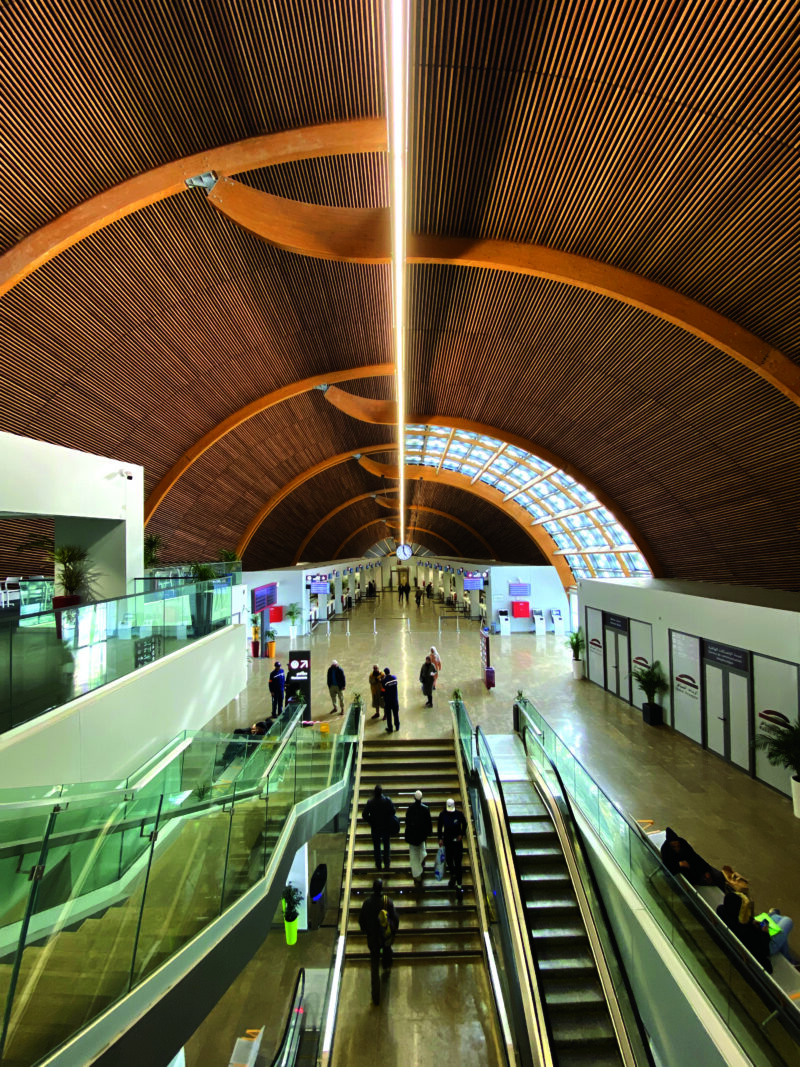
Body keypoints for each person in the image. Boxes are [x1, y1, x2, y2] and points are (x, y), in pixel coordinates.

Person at [358, 878, 399, 1005]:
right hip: (385, 936)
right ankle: (386, 966)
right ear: (381, 889)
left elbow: (361, 921)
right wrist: (392, 931)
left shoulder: (367, 903)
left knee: (374, 966)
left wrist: (366, 930)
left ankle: (376, 995)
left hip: (373, 939)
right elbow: (395, 919)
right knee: (387, 951)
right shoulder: (387, 902)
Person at [660, 826, 726, 888]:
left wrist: (706, 870)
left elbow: (694, 856)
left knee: (719, 875)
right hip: (691, 875)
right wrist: (679, 865)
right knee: (716, 881)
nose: (677, 849)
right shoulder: (665, 850)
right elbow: (667, 869)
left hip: (696, 866)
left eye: (678, 846)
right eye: (674, 847)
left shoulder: (683, 843)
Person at [438, 798, 468, 904]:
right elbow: (439, 827)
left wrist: (461, 834)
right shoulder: (442, 815)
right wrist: (440, 838)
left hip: (457, 843)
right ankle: (453, 874)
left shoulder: (459, 815)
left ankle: (459, 887)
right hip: (448, 842)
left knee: (458, 864)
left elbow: (465, 824)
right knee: (449, 861)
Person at [363, 784, 396, 870]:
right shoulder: (387, 801)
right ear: (381, 792)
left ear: (374, 792)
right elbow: (393, 811)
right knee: (386, 845)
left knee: (376, 847)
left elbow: (364, 815)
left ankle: (378, 864)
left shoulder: (370, 802)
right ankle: (387, 863)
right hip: (386, 827)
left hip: (375, 828)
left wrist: (371, 821)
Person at [405, 789, 433, 889]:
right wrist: (429, 832)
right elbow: (429, 823)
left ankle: (418, 876)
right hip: (422, 836)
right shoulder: (426, 809)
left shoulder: (410, 808)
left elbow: (407, 821)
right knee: (422, 850)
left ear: (414, 798)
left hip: (412, 837)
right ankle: (422, 863)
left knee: (414, 856)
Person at [381, 666, 400, 733]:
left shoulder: (384, 681)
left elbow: (383, 690)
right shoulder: (394, 678)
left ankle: (390, 728)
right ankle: (397, 727)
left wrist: (382, 695)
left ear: (385, 673)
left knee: (389, 716)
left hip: (388, 701)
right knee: (396, 714)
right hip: (395, 700)